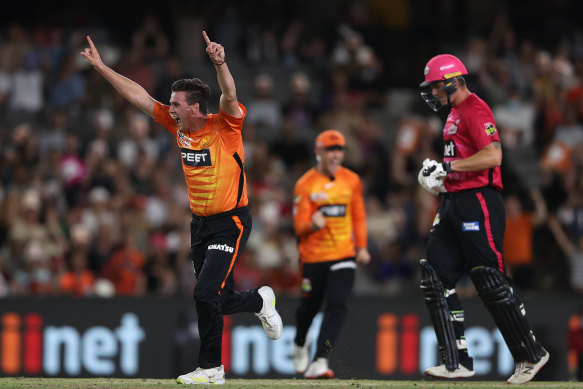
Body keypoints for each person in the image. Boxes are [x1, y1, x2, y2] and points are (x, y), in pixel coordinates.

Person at [80, 32, 282, 385]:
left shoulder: (225, 127)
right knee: (215, 296)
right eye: (170, 103)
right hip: (199, 225)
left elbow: (230, 95)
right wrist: (101, 68)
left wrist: (220, 63)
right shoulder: (177, 125)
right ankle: (259, 302)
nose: (169, 107)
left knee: (204, 294)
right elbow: (139, 96)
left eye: (176, 103)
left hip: (230, 221)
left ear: (194, 106)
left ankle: (212, 369)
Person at [416, 54, 549, 385]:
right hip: (454, 202)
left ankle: (530, 354)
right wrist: (440, 179)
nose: (432, 94)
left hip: (479, 202)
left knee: (489, 280)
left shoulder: (475, 109)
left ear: (451, 82)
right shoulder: (454, 114)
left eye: (435, 87)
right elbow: (461, 161)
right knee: (434, 274)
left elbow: (493, 155)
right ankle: (456, 360)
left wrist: (449, 169)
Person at [292, 129, 370, 379]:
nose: (336, 154)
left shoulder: (352, 180)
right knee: (309, 309)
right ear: (318, 152)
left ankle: (320, 359)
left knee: (337, 305)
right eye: (331, 149)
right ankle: (300, 341)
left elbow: (358, 216)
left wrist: (362, 247)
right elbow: (298, 226)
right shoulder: (305, 184)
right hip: (313, 257)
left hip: (343, 255)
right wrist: (311, 225)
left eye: (340, 150)